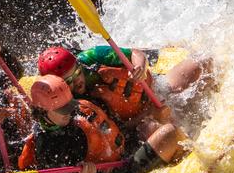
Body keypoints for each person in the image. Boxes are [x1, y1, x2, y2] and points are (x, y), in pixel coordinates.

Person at [37, 45, 192, 164]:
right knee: (158, 130)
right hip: (135, 124)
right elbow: (116, 130)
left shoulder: (90, 58)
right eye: (68, 81)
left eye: (77, 73)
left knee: (197, 66)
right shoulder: (66, 105)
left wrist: (140, 68)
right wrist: (150, 114)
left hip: (149, 94)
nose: (77, 82)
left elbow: (134, 53)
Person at [14, 74, 132, 173]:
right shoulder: (48, 146)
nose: (68, 113)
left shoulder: (80, 108)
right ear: (42, 111)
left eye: (69, 106)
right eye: (62, 110)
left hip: (119, 156)